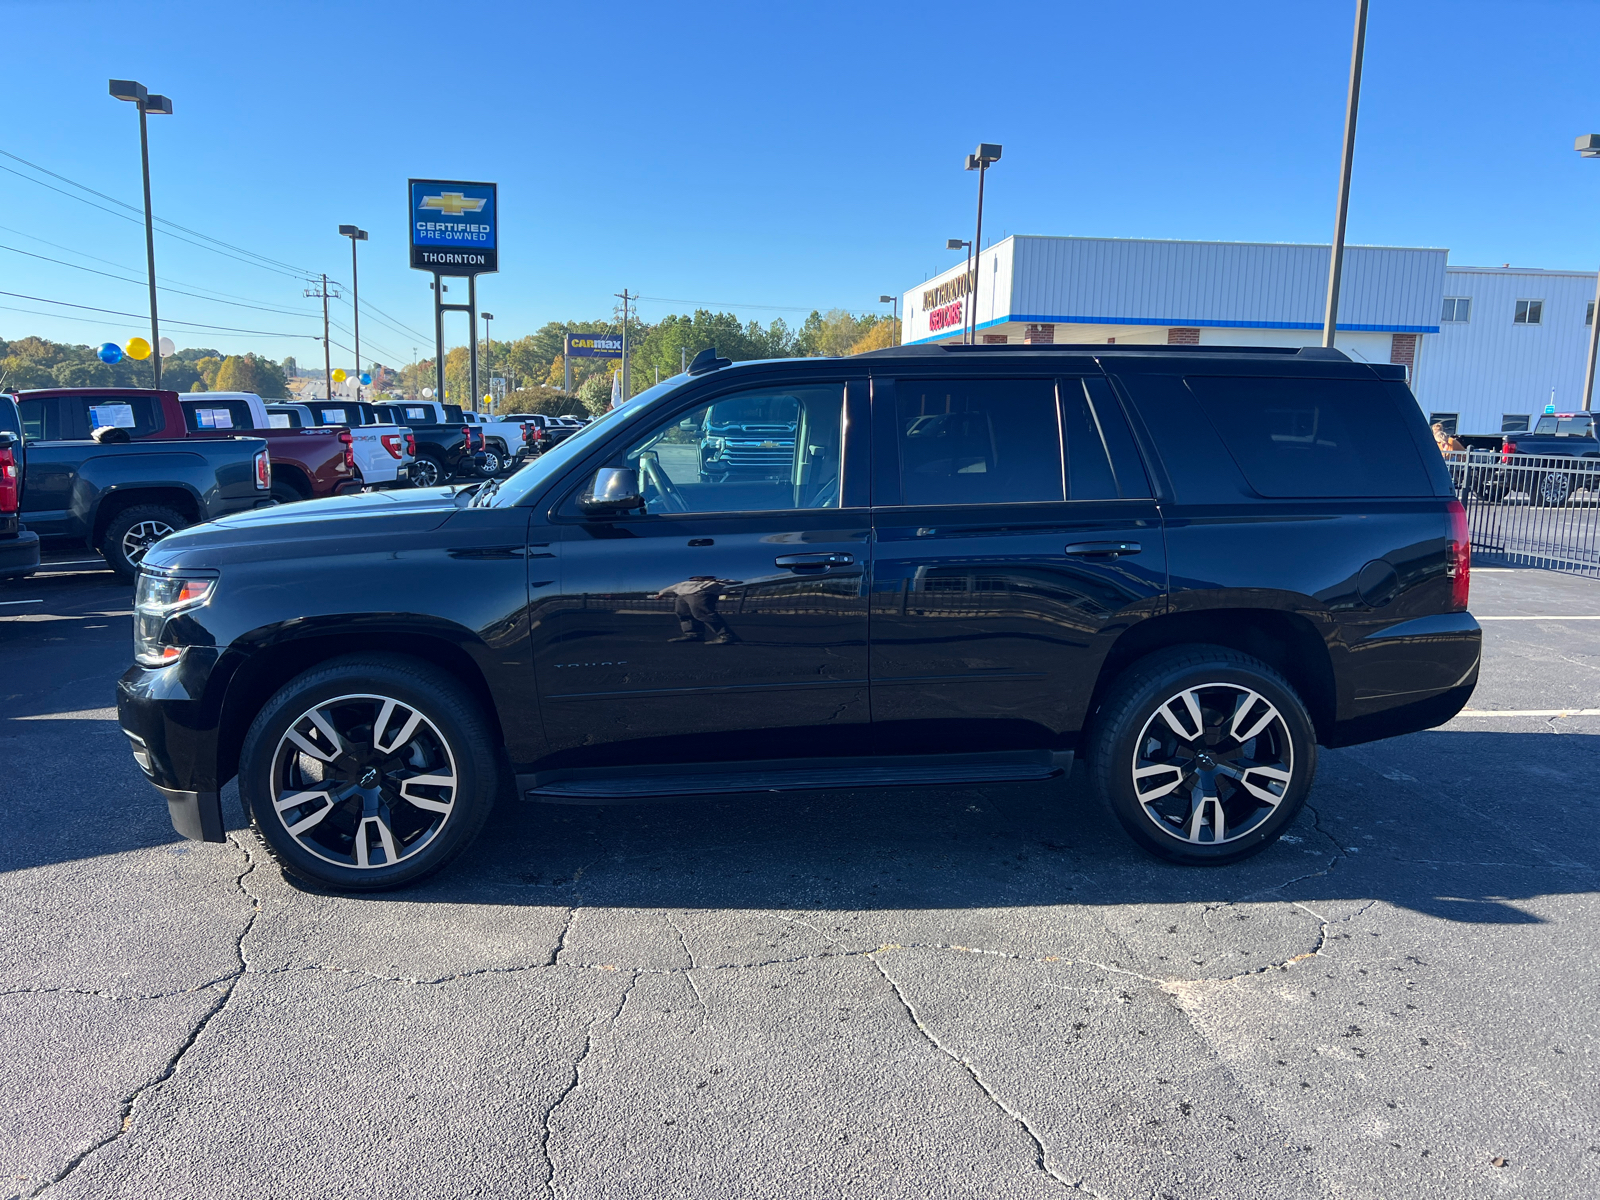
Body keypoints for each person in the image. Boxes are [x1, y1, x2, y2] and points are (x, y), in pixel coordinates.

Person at [656, 576, 740, 644]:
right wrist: (661, 593)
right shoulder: (684, 583)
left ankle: (727, 635)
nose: (695, 578)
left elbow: (734, 582)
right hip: (682, 596)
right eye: (694, 577)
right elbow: (671, 587)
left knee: (703, 614)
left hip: (701, 594)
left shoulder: (713, 582)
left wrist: (713, 580)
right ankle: (693, 634)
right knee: (683, 614)